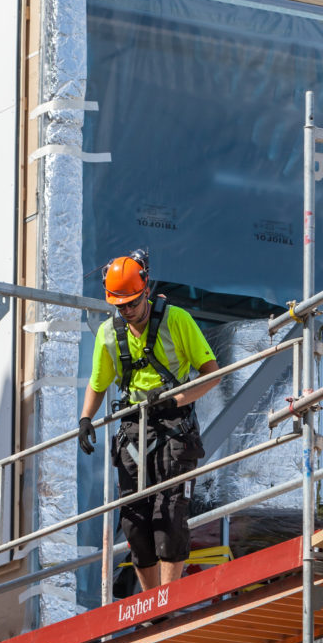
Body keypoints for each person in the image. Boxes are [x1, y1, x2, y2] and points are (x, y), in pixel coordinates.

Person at [78, 253, 222, 592]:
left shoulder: (177, 321)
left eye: (131, 303)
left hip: (174, 426)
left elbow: (212, 374)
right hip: (133, 428)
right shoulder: (109, 334)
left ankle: (167, 601)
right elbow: (98, 383)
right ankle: (152, 602)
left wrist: (177, 399)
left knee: (169, 515)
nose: (126, 311)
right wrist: (86, 418)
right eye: (120, 306)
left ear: (145, 292)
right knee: (134, 520)